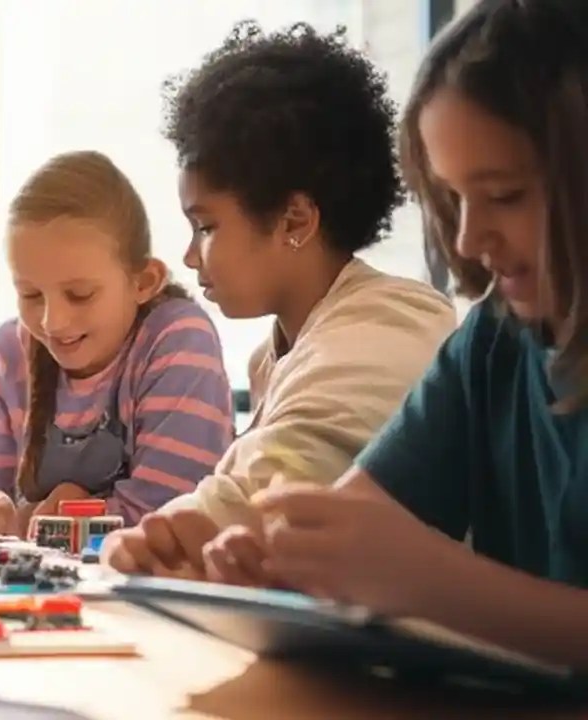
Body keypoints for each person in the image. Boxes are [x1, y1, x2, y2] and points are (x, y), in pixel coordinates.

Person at [198, 0, 588, 670]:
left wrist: (432, 581)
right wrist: (281, 564)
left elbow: (406, 568)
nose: (467, 238)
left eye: (503, 195)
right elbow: (348, 521)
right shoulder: (493, 341)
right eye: (454, 199)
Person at [101, 21, 458, 577]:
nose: (192, 257)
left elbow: (276, 482)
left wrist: (155, 543)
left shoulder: (391, 327)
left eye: (206, 226)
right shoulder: (278, 355)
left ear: (295, 220)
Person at [0, 150, 234, 541]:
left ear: (144, 281)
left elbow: (171, 515)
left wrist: (50, 516)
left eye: (80, 295)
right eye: (30, 294)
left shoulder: (178, 338)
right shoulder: (5, 352)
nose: (52, 322)